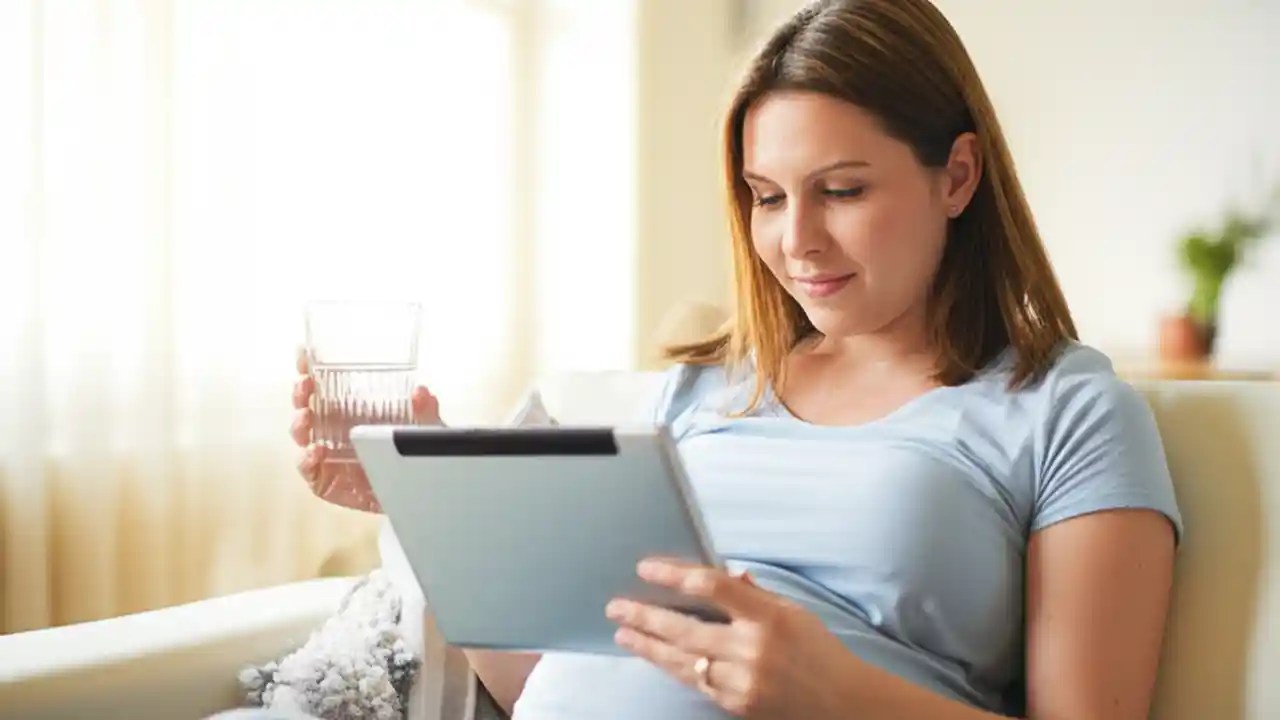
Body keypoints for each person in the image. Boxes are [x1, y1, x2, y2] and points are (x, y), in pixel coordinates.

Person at [290, 1, 1181, 717]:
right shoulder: (704, 391)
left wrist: (834, 693)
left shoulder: (1067, 411)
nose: (797, 243)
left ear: (957, 175)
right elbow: (538, 680)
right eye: (765, 197)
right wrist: (419, 500)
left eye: (842, 191)